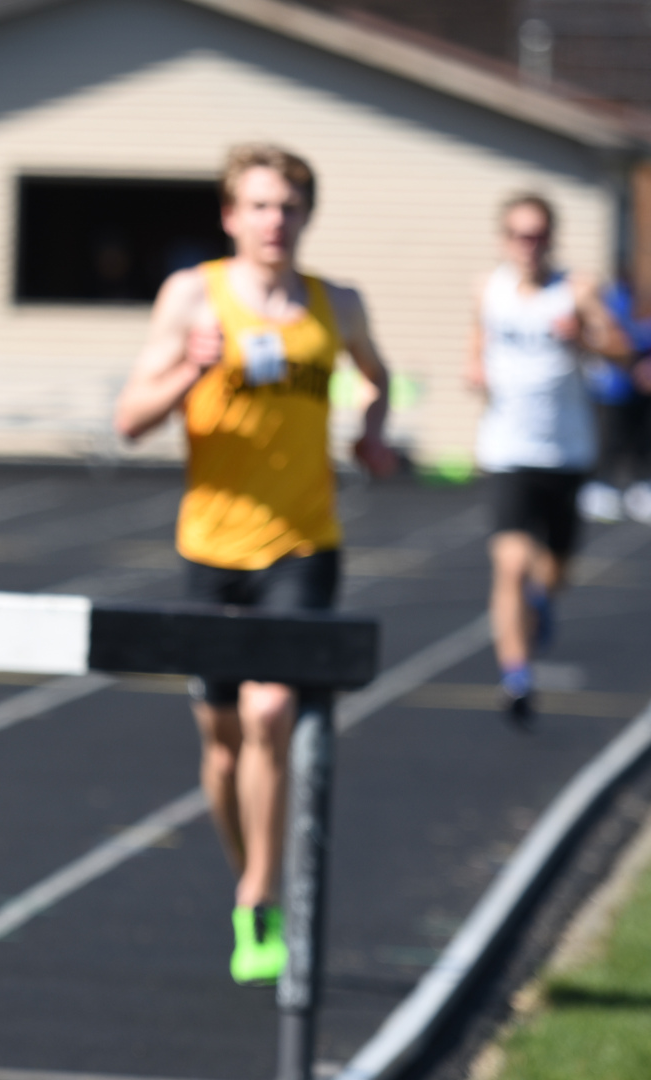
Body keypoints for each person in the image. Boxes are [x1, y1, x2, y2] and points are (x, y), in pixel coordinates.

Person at [113, 144, 397, 986]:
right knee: (224, 739)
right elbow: (131, 419)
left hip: (303, 543)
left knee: (272, 714)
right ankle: (250, 875)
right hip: (211, 546)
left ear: (307, 217)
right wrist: (189, 369)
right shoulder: (192, 296)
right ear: (231, 216)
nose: (276, 222)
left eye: (290, 208)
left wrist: (372, 429)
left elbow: (377, 377)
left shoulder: (334, 303)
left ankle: (260, 893)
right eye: (261, 206)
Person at [465, 193, 631, 720]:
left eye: (537, 235)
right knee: (509, 563)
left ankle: (541, 602)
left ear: (551, 239)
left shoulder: (577, 289)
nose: (528, 246)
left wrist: (584, 337)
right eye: (518, 235)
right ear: (503, 240)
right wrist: (475, 370)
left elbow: (623, 347)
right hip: (507, 448)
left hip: (567, 450)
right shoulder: (488, 289)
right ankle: (516, 675)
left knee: (554, 570)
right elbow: (477, 344)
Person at [581, 270, 651, 523]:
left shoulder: (643, 305)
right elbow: (606, 337)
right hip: (613, 387)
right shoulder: (612, 300)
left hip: (640, 389)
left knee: (642, 441)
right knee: (610, 442)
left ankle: (641, 486)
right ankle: (601, 487)